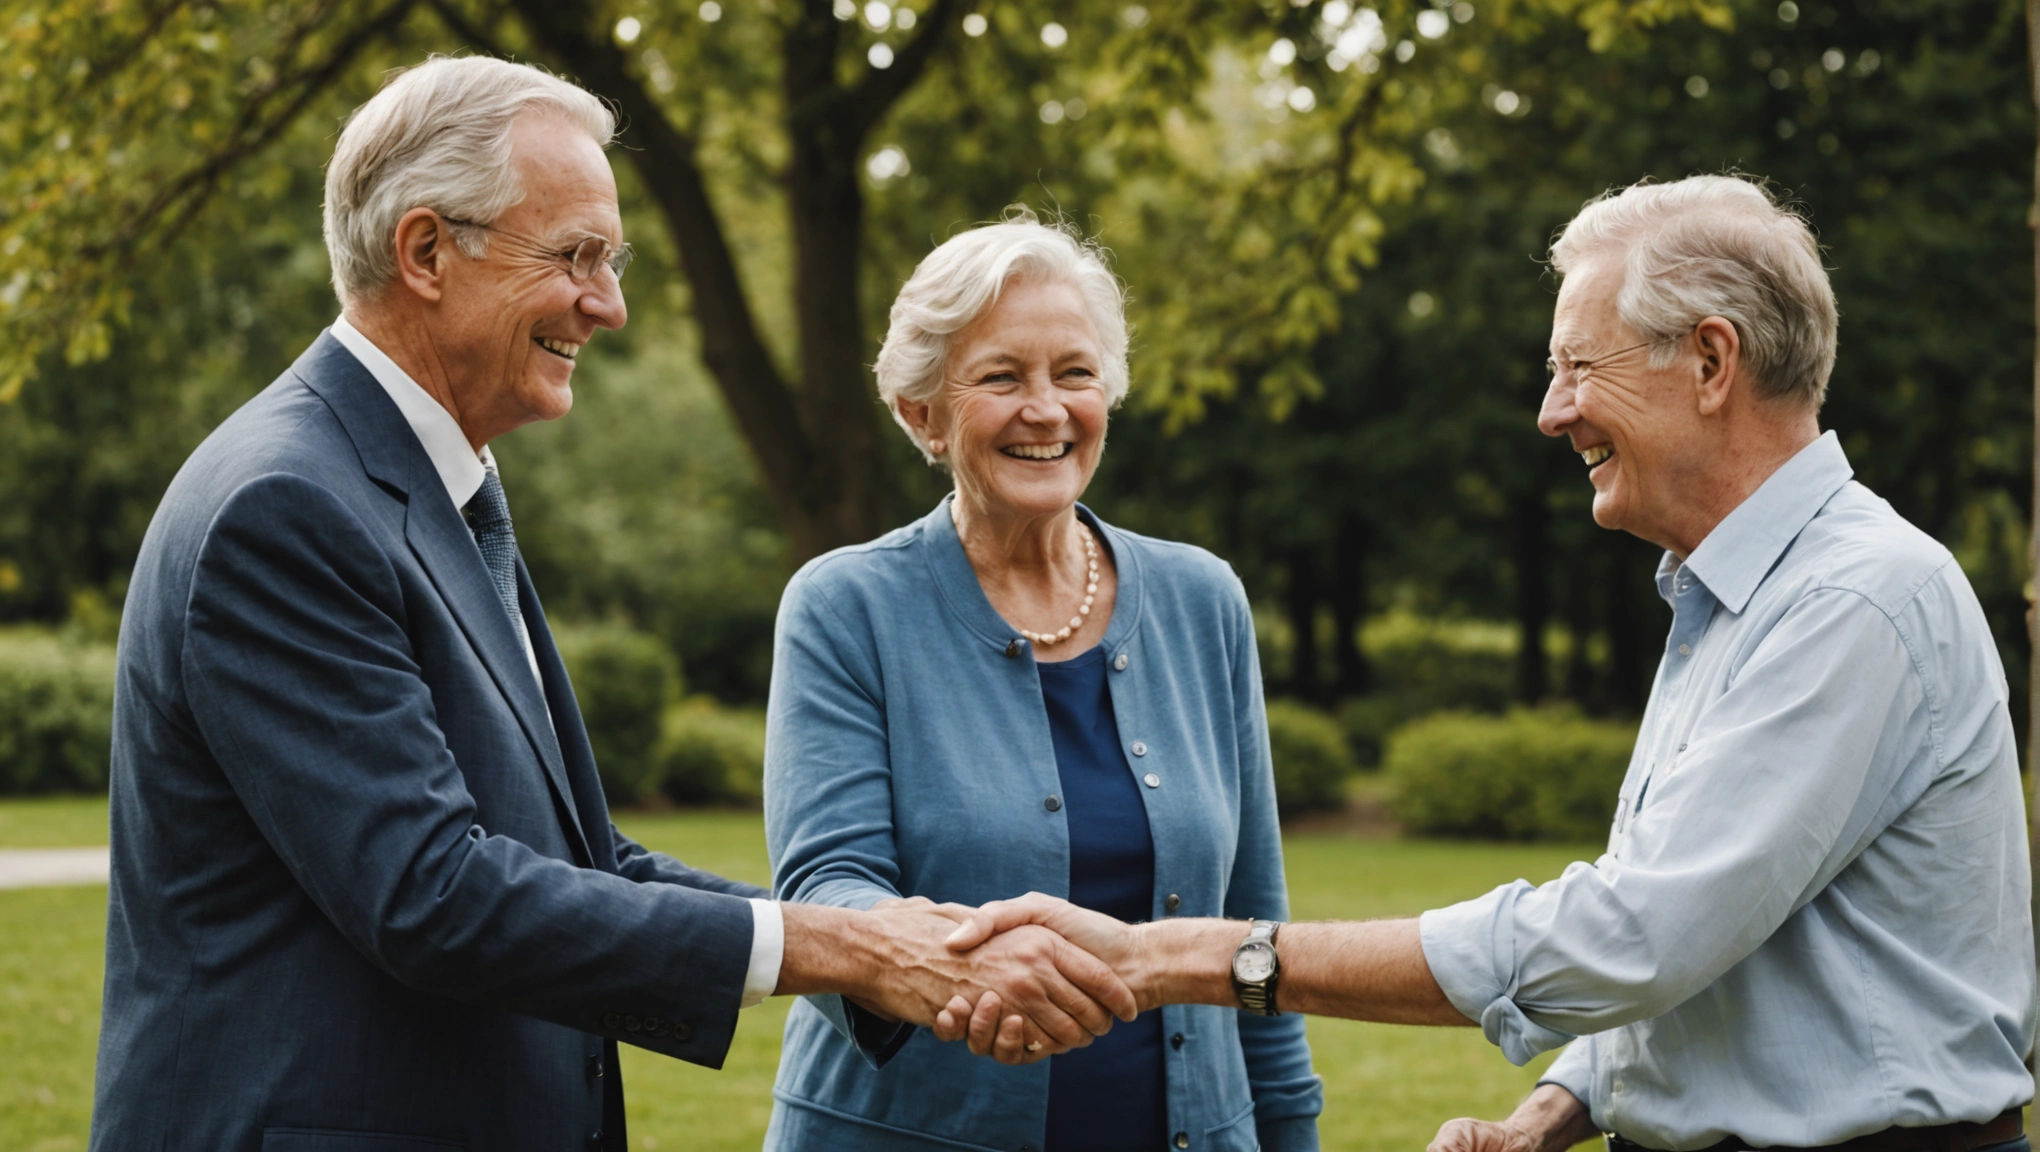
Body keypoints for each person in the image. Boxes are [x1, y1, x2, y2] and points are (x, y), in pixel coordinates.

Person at [90, 57, 1132, 1152]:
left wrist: (869, 943)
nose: (612, 305)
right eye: (578, 257)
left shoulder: (432, 484)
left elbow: (574, 854)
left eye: (612, 261)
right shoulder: (289, 505)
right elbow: (434, 893)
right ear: (427, 251)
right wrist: (857, 954)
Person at [942, 176, 2037, 1152]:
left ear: (1711, 361)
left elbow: (1634, 937)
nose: (1552, 410)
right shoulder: (1733, 596)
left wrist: (1185, 959)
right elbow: (1720, 939)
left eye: (1576, 367)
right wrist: (1555, 1111)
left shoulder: (1850, 601)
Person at [760, 212, 1323, 1152]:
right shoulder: (845, 605)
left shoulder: (1202, 599)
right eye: (1000, 377)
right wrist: (961, 966)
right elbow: (829, 886)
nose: (1047, 409)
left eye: (1075, 372)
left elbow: (1255, 926)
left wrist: (1289, 1131)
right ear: (921, 414)